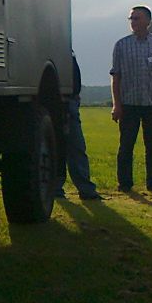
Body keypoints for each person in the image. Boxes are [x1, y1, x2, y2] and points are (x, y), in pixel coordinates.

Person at [110, 5, 152, 194]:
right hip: (129, 103)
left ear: (148, 21)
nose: (133, 22)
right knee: (126, 146)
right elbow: (116, 77)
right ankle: (125, 184)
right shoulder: (122, 45)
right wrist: (116, 105)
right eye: (131, 19)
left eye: (137, 18)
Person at [57, 55, 102, 200]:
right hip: (65, 101)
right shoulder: (64, 52)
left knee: (70, 147)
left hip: (68, 100)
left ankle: (59, 188)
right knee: (74, 146)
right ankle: (84, 189)